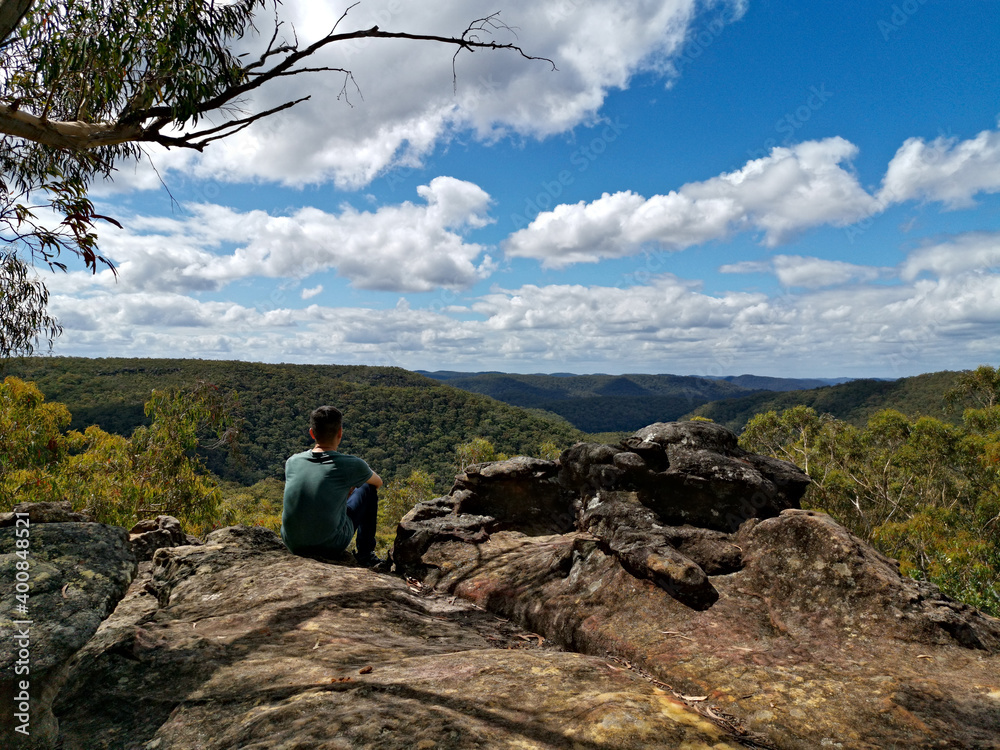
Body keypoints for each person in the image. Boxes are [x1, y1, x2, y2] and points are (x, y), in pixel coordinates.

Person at [281, 405, 385, 567]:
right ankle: (365, 554)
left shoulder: (292, 462)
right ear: (340, 433)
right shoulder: (351, 464)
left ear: (311, 433)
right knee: (367, 489)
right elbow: (377, 483)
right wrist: (348, 488)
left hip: (293, 543)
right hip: (330, 545)